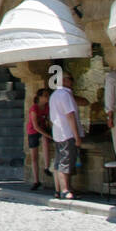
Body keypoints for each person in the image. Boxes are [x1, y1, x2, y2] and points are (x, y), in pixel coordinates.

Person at [49, 71, 82, 200]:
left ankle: (58, 190)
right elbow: (70, 115)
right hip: (67, 133)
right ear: (65, 80)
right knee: (65, 161)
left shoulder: (55, 95)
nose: (72, 82)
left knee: (59, 162)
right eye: (71, 79)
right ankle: (65, 189)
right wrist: (77, 135)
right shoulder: (65, 95)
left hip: (58, 133)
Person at [25, 88, 54, 191]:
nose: (47, 97)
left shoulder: (47, 107)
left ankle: (47, 167)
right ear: (39, 97)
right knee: (34, 156)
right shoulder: (34, 108)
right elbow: (35, 126)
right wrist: (48, 134)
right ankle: (36, 180)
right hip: (33, 131)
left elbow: (48, 119)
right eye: (45, 95)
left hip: (42, 128)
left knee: (45, 140)